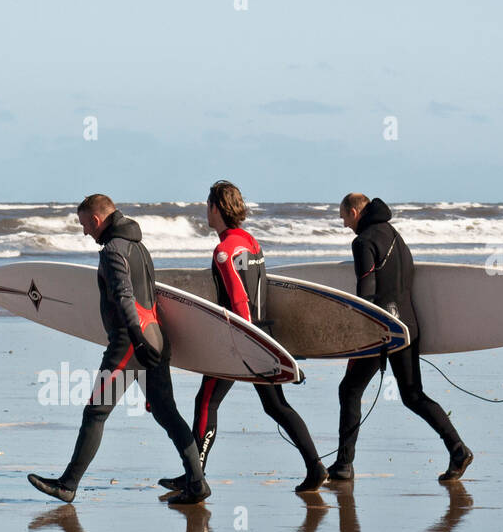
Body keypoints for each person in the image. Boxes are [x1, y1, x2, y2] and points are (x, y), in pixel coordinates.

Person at [28, 194, 210, 505]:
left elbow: (125, 297)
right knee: (167, 413)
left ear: (97, 221)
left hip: (130, 342)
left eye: (85, 224)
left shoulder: (112, 251)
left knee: (95, 412)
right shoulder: (138, 246)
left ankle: (68, 485)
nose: (85, 231)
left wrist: (136, 339)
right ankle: (197, 483)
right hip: (156, 336)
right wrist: (148, 339)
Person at [159, 181, 327, 493]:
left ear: (216, 208)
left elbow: (238, 301)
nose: (205, 211)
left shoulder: (223, 251)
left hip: (239, 339)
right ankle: (316, 467)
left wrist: (247, 343)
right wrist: (268, 346)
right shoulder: (251, 241)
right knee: (276, 406)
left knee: (206, 402)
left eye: (207, 205)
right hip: (262, 332)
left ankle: (195, 478)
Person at [330, 193, 473, 483]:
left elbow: (367, 290)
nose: (344, 224)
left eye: (344, 217)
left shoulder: (363, 242)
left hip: (379, 330)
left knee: (350, 390)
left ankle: (344, 465)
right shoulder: (395, 234)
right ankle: (458, 449)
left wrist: (358, 339)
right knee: (413, 395)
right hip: (407, 327)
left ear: (356, 211)